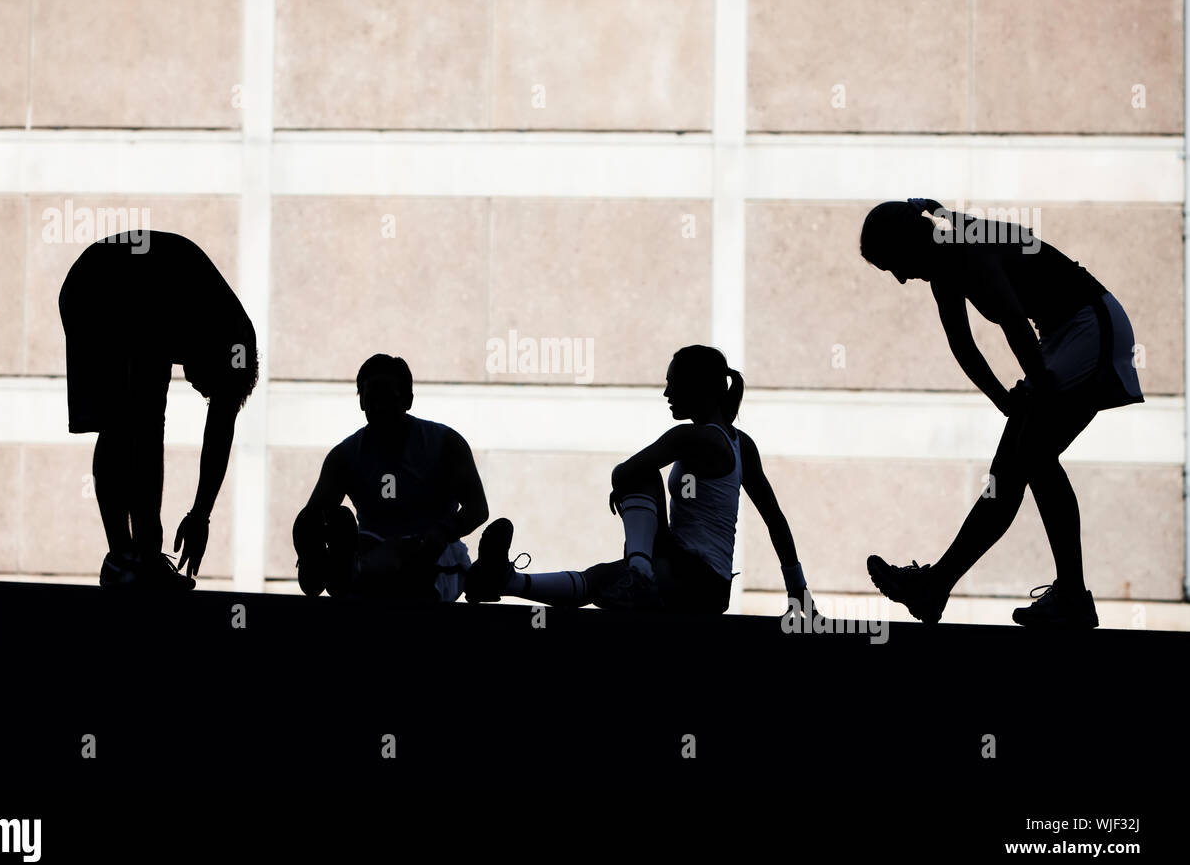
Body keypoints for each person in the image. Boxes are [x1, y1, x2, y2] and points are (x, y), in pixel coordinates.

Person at [859, 199, 1144, 628]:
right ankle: (940, 587)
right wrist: (1003, 399)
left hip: (1090, 326)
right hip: (1064, 336)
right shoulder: (944, 262)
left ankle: (1060, 594)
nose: (900, 278)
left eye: (893, 264)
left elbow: (1013, 320)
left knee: (1030, 456)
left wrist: (1038, 385)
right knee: (1012, 468)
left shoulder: (964, 247)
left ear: (907, 242)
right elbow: (963, 346)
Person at [466, 345, 815, 616]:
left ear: (696, 387)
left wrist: (624, 489)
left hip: (696, 579)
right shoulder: (741, 443)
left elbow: (623, 472)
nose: (666, 394)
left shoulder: (689, 438)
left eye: (672, 383)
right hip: (703, 576)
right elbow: (775, 520)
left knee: (635, 489)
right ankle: (506, 582)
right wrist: (797, 589)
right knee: (599, 576)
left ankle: (639, 573)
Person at [59, 230, 259, 589]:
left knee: (127, 422)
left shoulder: (225, 343)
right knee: (127, 422)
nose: (198, 390)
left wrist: (201, 515)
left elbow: (219, 429)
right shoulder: (184, 315)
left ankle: (131, 559)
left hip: (110, 285)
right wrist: (152, 546)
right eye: (204, 389)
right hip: (98, 288)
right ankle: (129, 558)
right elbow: (148, 434)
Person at [293, 354, 489, 602]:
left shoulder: (446, 444)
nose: (378, 407)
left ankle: (350, 573)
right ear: (361, 402)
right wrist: (317, 549)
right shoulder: (343, 457)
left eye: (387, 398)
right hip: (369, 548)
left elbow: (478, 509)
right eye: (371, 399)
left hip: (433, 554)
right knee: (351, 538)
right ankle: (341, 568)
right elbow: (314, 518)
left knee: (404, 567)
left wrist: (439, 534)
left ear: (408, 400)